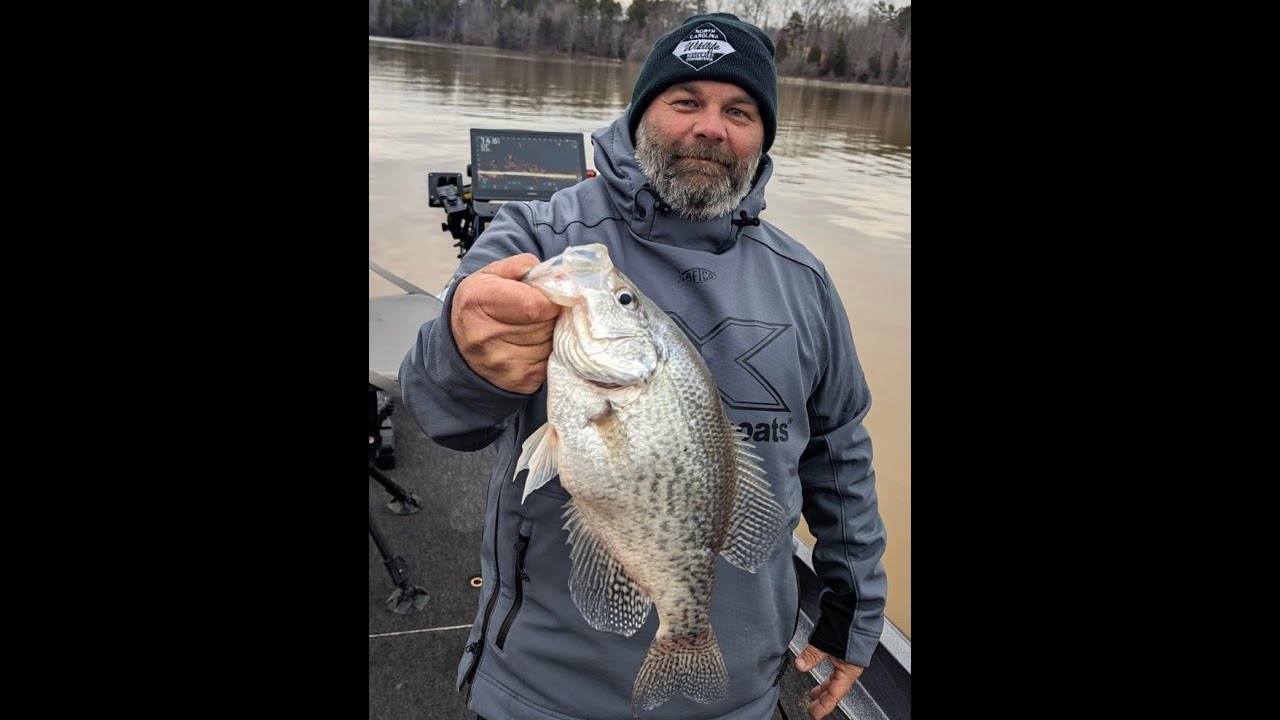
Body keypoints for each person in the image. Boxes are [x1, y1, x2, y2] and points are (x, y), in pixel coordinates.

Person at [399, 12, 887, 720]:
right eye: (685, 101)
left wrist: (855, 613)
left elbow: (840, 453)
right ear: (639, 116)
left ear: (763, 137)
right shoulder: (542, 235)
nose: (710, 128)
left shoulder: (804, 282)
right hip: (540, 690)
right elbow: (436, 411)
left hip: (743, 691)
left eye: (739, 111)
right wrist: (462, 349)